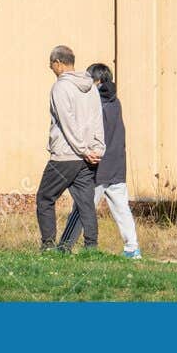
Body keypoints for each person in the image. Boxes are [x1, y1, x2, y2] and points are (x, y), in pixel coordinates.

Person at [60, 63, 141, 259]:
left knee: (82, 207)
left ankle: (64, 247)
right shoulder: (115, 102)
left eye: (89, 79)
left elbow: (90, 134)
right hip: (116, 167)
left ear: (97, 81)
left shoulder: (95, 104)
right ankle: (132, 248)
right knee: (122, 210)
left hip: (97, 168)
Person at [35, 45, 105, 251]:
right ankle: (91, 248)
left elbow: (68, 123)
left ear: (58, 63)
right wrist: (96, 149)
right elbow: (97, 119)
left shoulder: (60, 87)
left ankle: (48, 246)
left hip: (65, 156)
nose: (51, 69)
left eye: (51, 65)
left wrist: (82, 149)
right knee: (85, 204)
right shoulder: (91, 87)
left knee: (45, 198)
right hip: (87, 158)